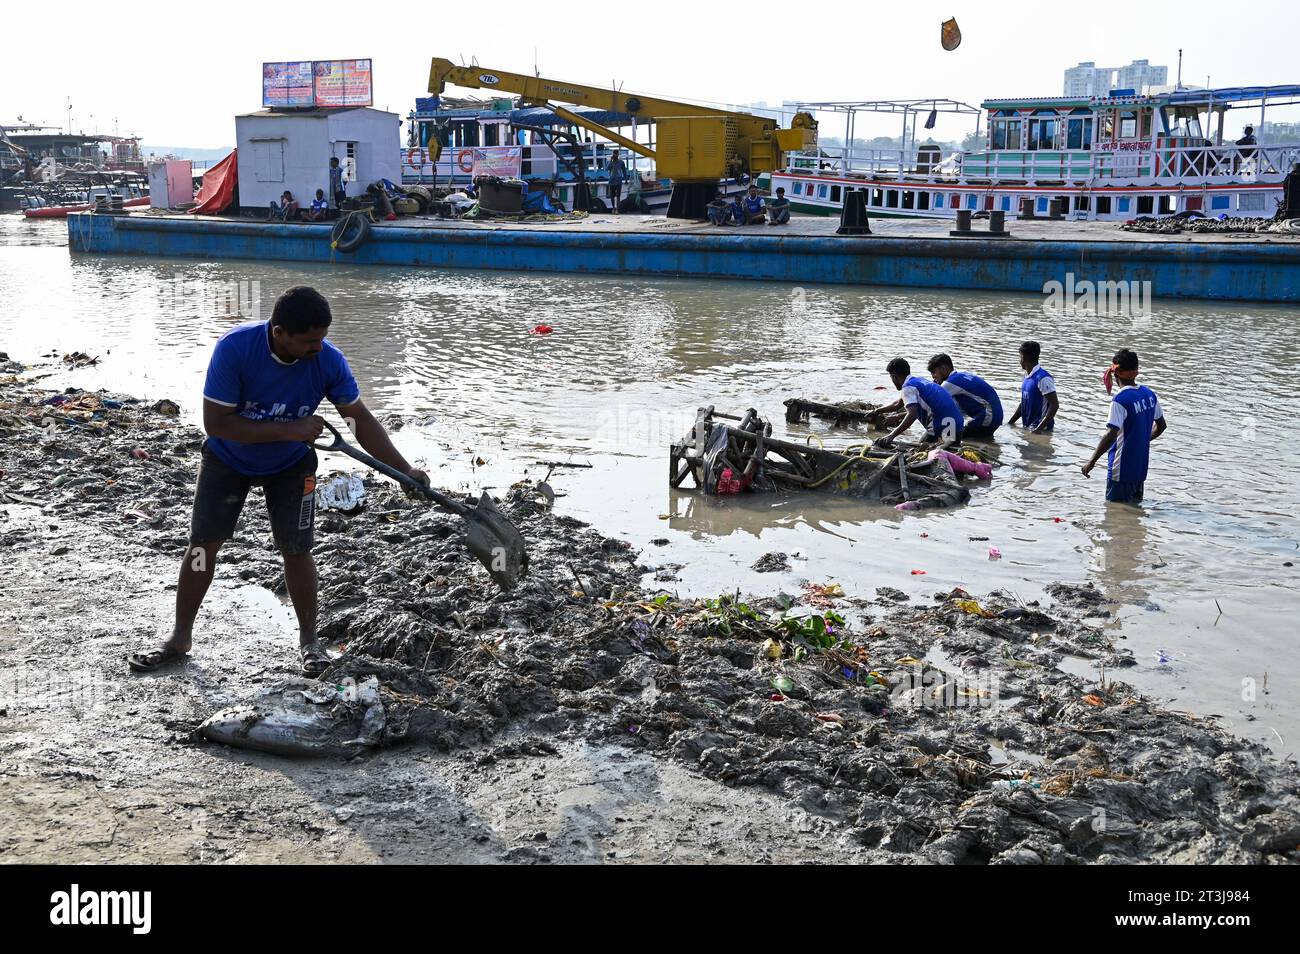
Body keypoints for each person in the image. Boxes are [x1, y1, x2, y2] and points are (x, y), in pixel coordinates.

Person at [127, 287, 430, 678]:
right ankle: (179, 637)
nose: (318, 348)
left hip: (291, 465)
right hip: (228, 459)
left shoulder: (328, 362)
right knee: (203, 546)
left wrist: (404, 469)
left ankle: (310, 642)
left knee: (297, 549)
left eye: (322, 338)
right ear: (280, 331)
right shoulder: (235, 349)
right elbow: (217, 424)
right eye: (309, 341)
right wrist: (290, 429)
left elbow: (359, 421)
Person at [1081, 348, 1166, 504]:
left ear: (1117, 372)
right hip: (1140, 467)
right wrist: (1142, 441)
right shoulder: (1149, 394)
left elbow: (1111, 434)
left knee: (1115, 514)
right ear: (1136, 370)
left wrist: (1091, 461)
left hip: (1121, 468)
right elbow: (1161, 426)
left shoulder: (1120, 399)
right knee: (1132, 512)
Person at [873, 357, 964, 447]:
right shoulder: (919, 381)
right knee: (949, 453)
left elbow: (912, 414)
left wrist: (891, 436)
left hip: (942, 427)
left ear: (894, 377)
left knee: (917, 452)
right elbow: (898, 404)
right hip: (958, 426)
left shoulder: (908, 388)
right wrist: (878, 411)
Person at [927, 353, 1003, 439]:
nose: (933, 377)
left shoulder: (950, 383)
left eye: (934, 372)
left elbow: (930, 402)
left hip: (988, 416)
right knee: (980, 440)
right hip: (995, 416)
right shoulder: (961, 375)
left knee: (954, 438)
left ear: (944, 368)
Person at [1008, 340, 1059, 433]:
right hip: (1029, 428)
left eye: (1020, 357)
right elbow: (1024, 402)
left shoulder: (1043, 378)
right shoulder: (1026, 376)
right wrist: (1011, 422)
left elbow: (1054, 405)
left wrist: (1038, 429)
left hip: (1041, 431)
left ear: (1024, 357)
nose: (1019, 360)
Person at [607, 149, 627, 214]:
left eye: (616, 154)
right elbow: (607, 168)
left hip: (618, 180)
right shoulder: (610, 162)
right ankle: (613, 208)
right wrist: (611, 161)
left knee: (618, 196)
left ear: (618, 155)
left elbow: (624, 171)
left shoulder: (621, 162)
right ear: (613, 154)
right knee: (612, 196)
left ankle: (617, 210)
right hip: (611, 180)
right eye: (614, 154)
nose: (615, 155)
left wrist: (626, 179)